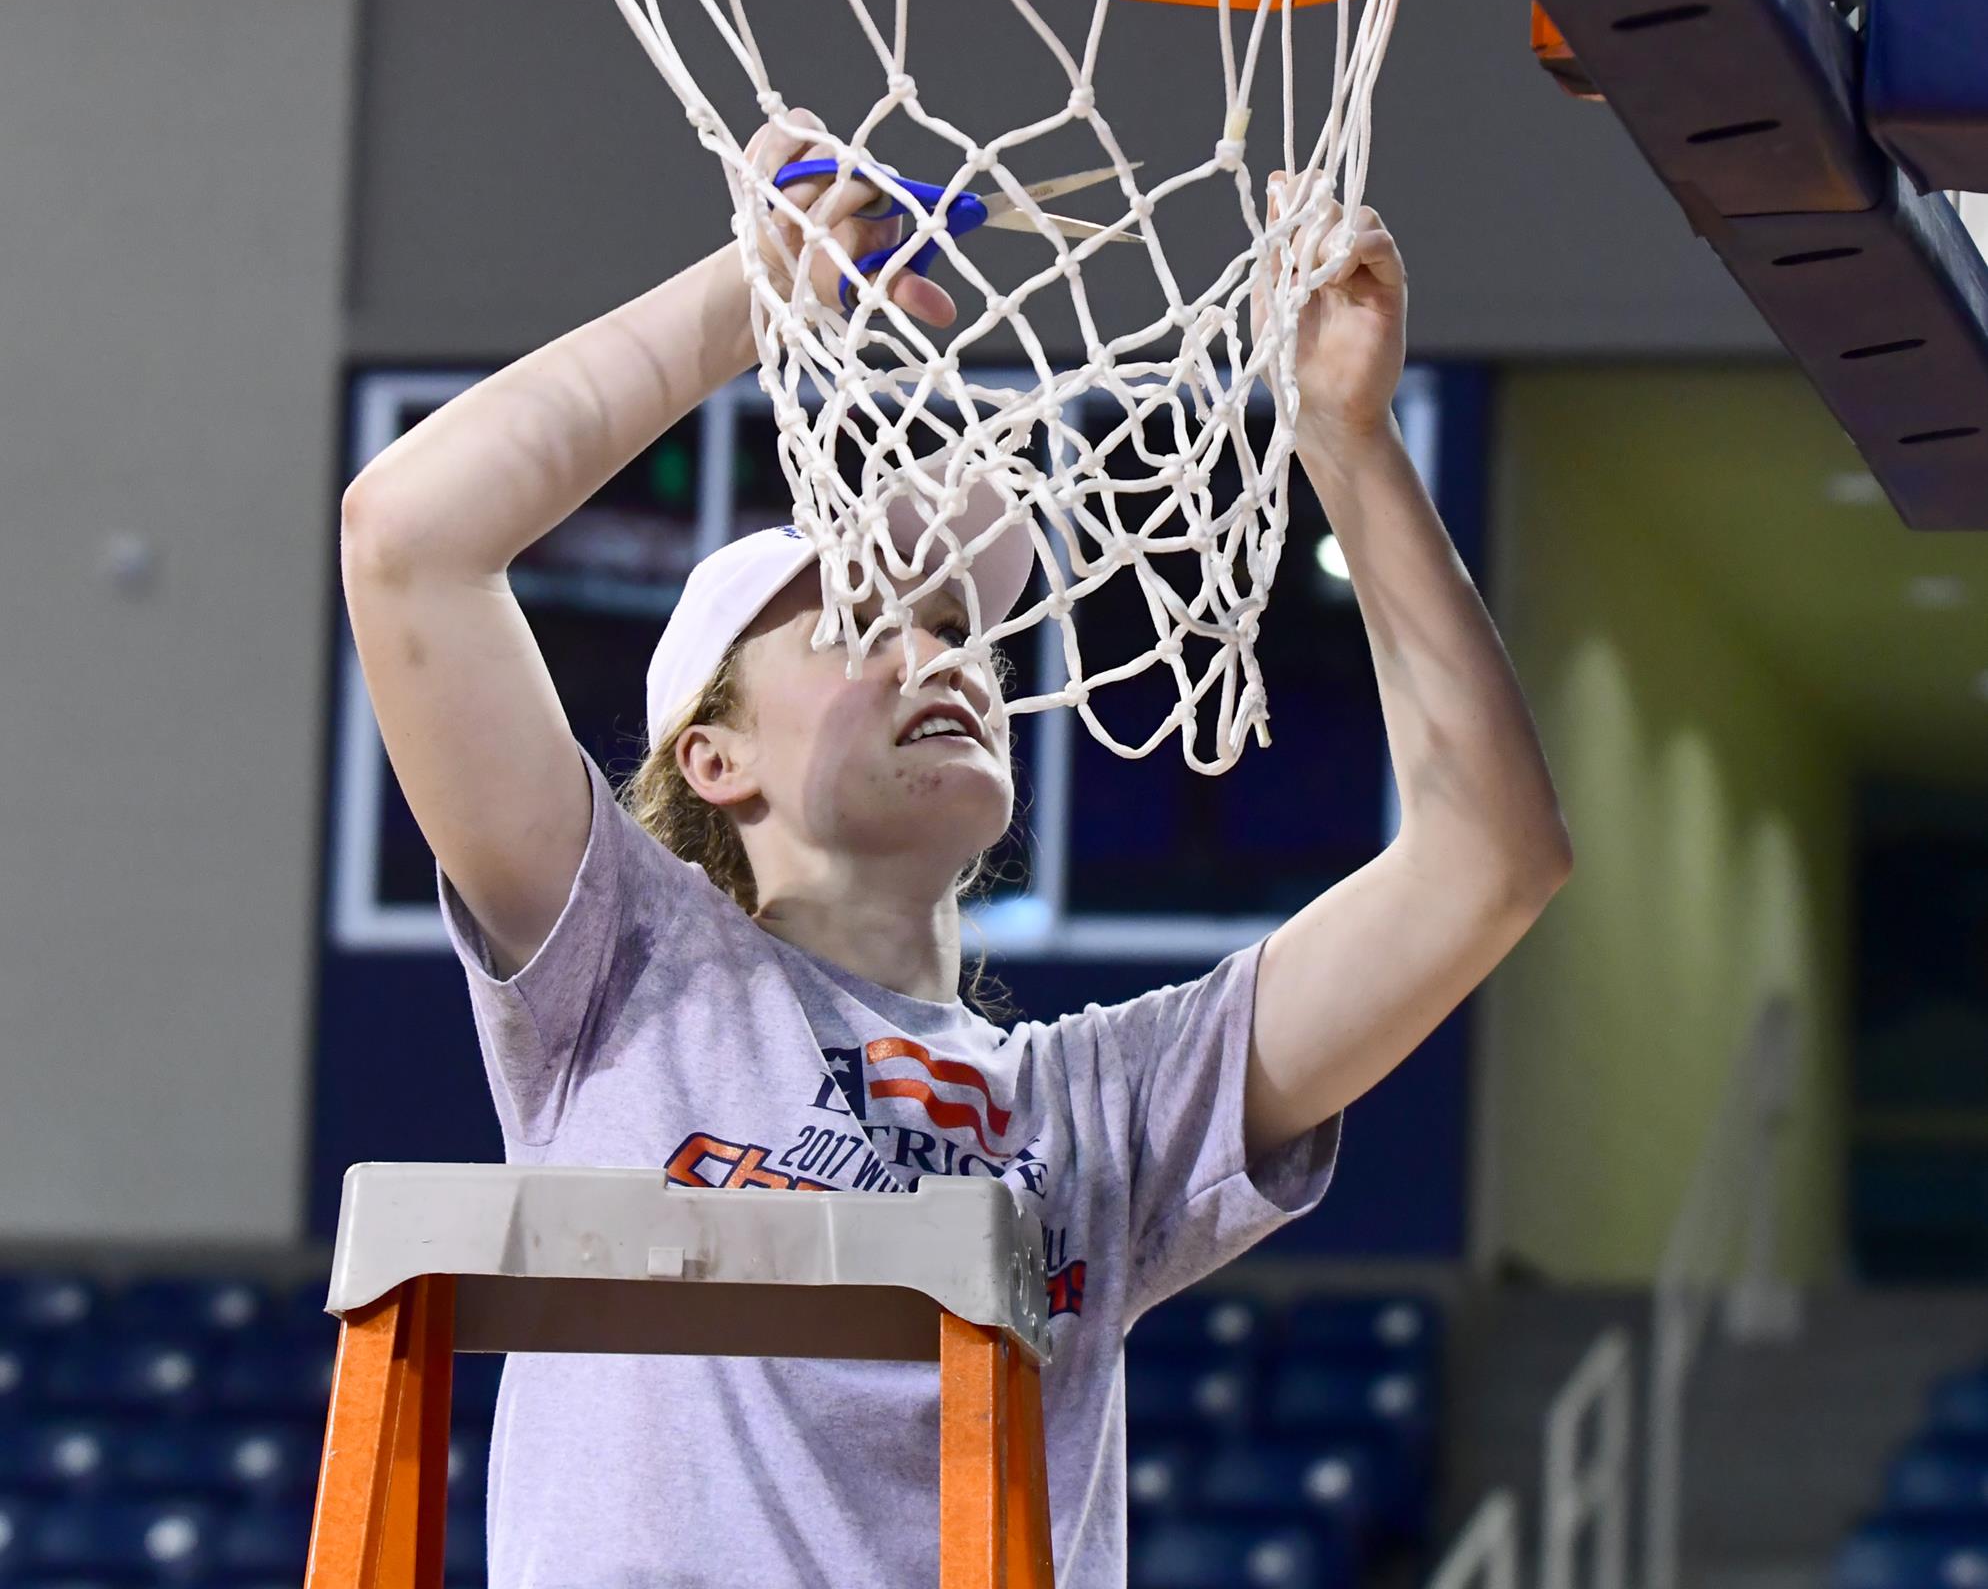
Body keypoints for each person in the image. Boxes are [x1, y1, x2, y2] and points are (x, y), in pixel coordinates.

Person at [339, 110, 1572, 1589]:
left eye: (956, 627)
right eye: (868, 619)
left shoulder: (1097, 1105)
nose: (941, 654)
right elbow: (407, 538)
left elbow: (1491, 858)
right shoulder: (624, 969)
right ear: (711, 760)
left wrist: (1347, 445)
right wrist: (755, 285)